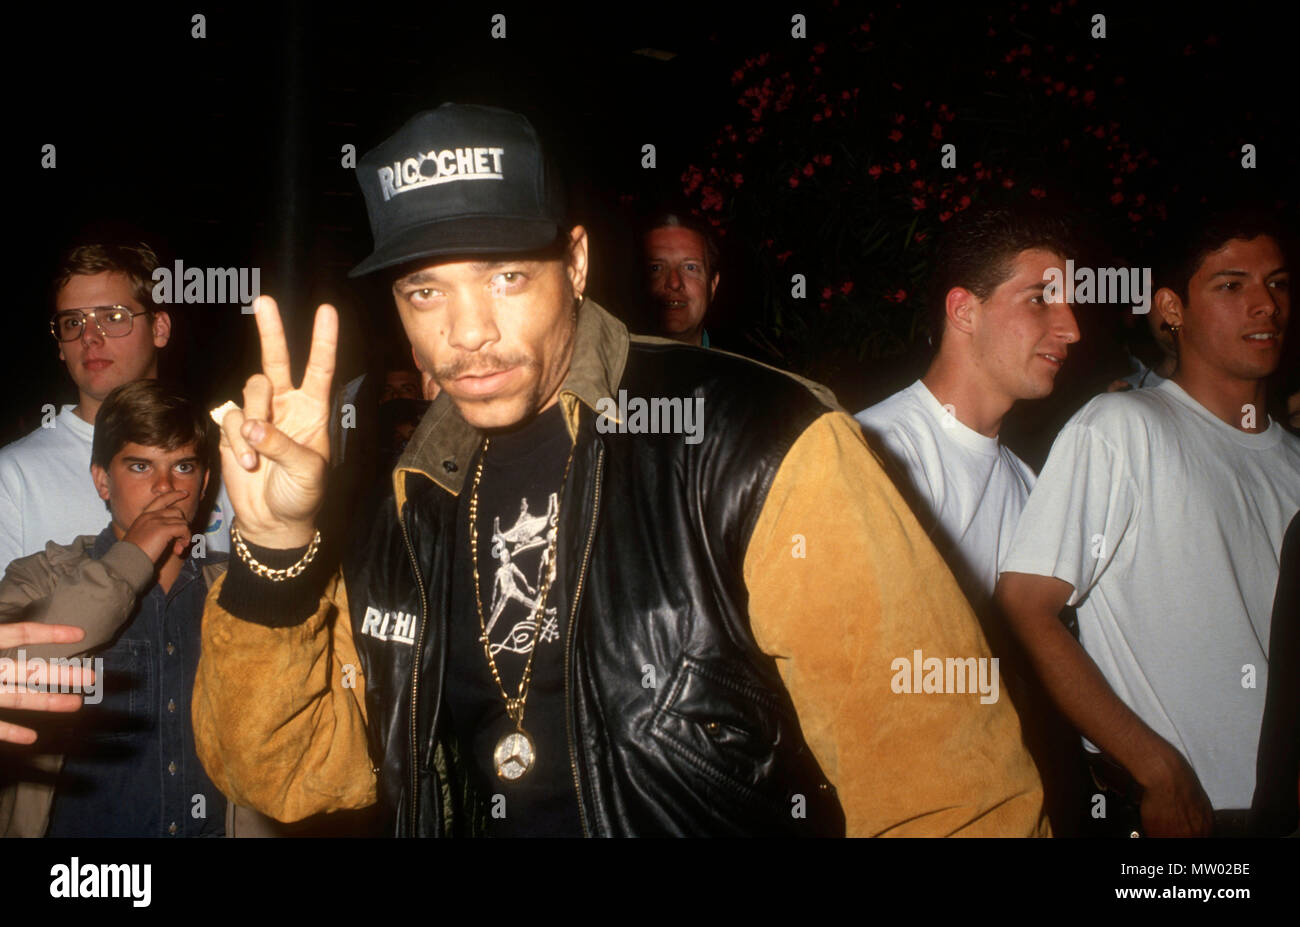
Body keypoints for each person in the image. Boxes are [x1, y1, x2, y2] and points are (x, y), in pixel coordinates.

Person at [194, 103, 1046, 837]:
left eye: (505, 276)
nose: (467, 330)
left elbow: (952, 797)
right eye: (426, 291)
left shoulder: (751, 439)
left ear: (575, 263)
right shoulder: (409, 502)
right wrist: (272, 548)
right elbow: (289, 772)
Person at [996, 209, 1299, 837]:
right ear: (1172, 309)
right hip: (1183, 820)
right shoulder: (1123, 429)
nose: (1264, 304)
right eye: (1231, 285)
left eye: (1278, 283)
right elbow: (1025, 606)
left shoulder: (1294, 460)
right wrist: (1155, 769)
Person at [0, 380, 229, 837]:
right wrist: (132, 559)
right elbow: (17, 668)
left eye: (183, 466)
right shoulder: (38, 577)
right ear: (103, 480)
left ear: (204, 483)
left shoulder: (233, 589)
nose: (166, 487)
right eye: (141, 466)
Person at [855, 207, 1080, 609]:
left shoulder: (1027, 483)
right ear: (963, 311)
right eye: (1040, 300)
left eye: (1070, 304)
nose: (1072, 329)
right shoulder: (882, 451)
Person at [0, 243, 232, 577]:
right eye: (72, 322)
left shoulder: (225, 456)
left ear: (159, 328)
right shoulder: (16, 476)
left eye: (113, 317)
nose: (89, 337)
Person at [640, 211, 721, 347]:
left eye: (690, 267)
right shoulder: (603, 365)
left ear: (712, 286)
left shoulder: (742, 366)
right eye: (656, 268)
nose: (674, 283)